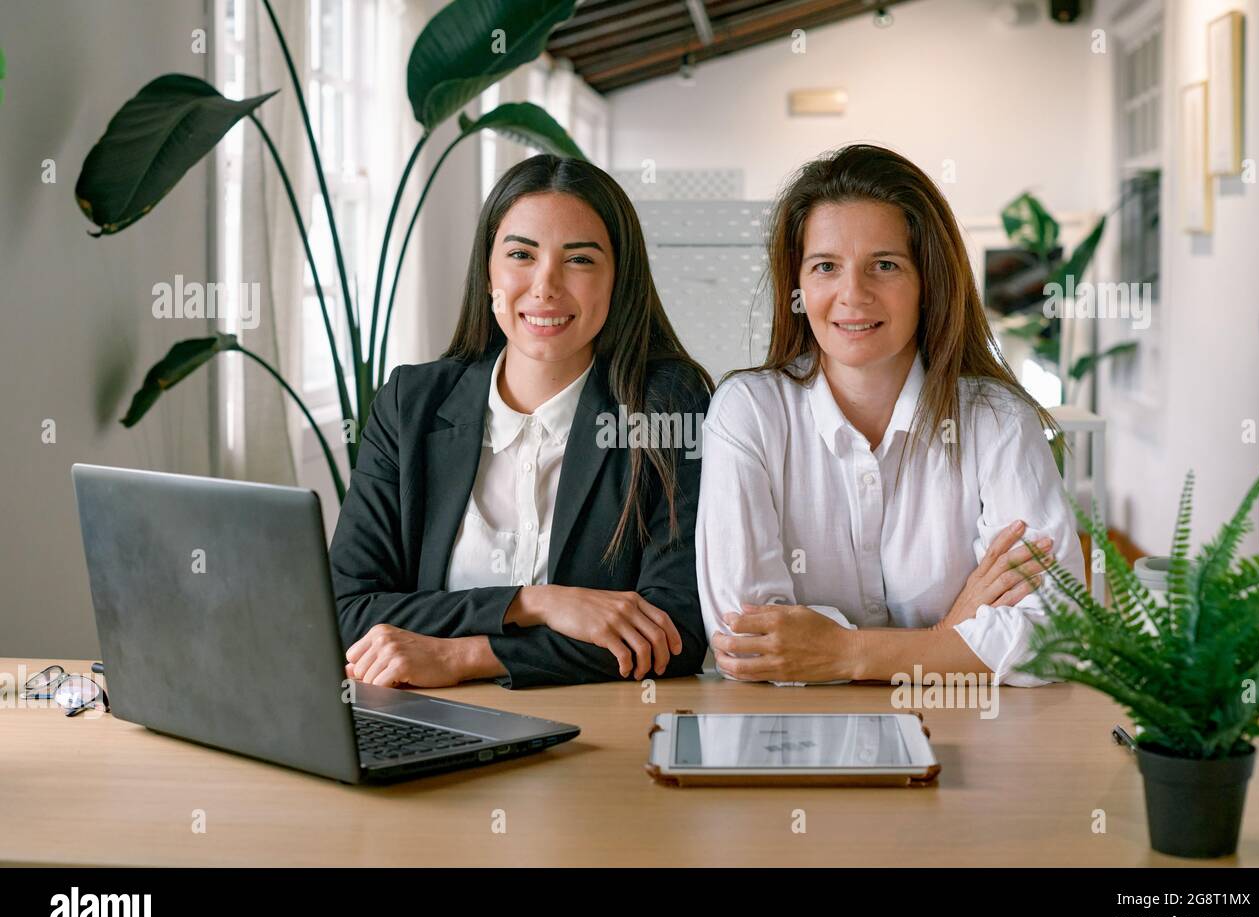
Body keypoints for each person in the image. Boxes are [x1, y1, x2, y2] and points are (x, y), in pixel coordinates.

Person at [696, 143, 1086, 687]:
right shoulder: (748, 413)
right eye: (826, 267)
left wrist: (846, 654)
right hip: (792, 739)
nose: (853, 294)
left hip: (965, 741)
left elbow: (1054, 638)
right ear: (799, 289)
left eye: (885, 265)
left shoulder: (997, 420)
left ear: (928, 282)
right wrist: (952, 631)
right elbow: (748, 642)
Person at [330, 154, 713, 689]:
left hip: (595, 736)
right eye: (521, 255)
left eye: (579, 260)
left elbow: (675, 634)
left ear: (617, 279)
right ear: (489, 269)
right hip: (427, 724)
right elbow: (349, 609)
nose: (545, 285)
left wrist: (466, 656)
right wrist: (533, 604)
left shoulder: (666, 406)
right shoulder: (410, 403)